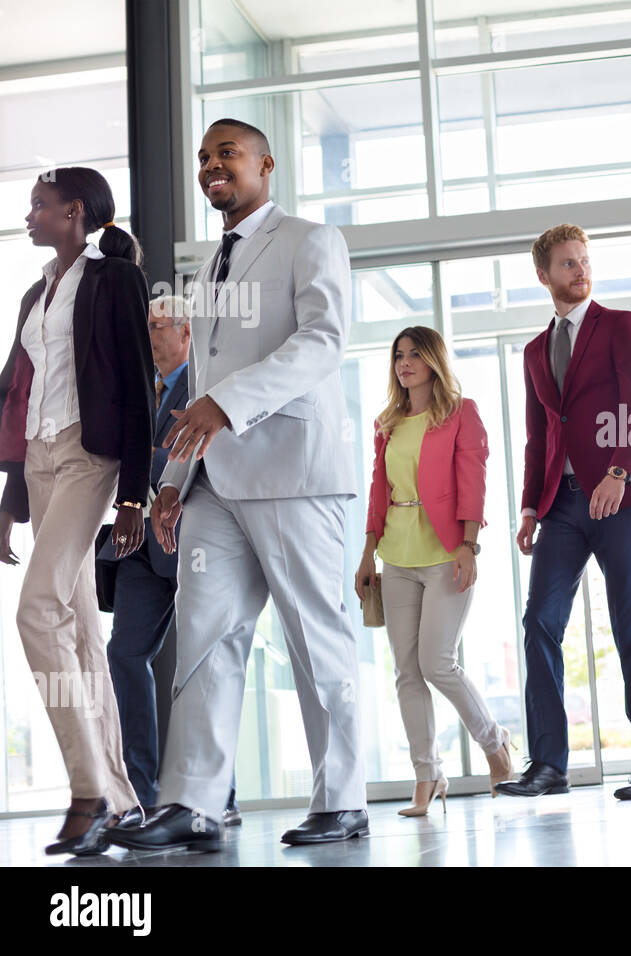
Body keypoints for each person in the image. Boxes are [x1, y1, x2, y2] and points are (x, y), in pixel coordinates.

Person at [108, 118, 367, 852]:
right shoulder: (207, 267)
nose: (211, 165)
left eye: (226, 153)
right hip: (214, 483)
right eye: (202, 157)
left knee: (317, 639)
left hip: (293, 473)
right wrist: (173, 478)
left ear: (265, 163)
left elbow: (322, 341)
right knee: (204, 637)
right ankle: (193, 801)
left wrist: (229, 404)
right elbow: (204, 381)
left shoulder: (312, 240)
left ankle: (341, 798)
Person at [0, 166, 152, 854]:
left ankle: (86, 789)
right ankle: (121, 802)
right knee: (84, 639)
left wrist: (133, 495)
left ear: (75, 212)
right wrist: (11, 499)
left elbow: (137, 389)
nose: (29, 215)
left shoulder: (113, 279)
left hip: (91, 456)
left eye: (40, 205)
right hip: (39, 459)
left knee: (36, 609)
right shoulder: (38, 291)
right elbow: (17, 394)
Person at [497, 223, 631, 800]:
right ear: (543, 275)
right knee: (539, 625)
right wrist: (529, 506)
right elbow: (537, 437)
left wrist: (619, 472)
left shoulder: (620, 326)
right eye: (567, 264)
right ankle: (548, 764)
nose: (580, 271)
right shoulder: (533, 351)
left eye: (583, 260)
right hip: (562, 508)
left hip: (620, 498)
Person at [93, 295, 242, 826]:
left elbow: (198, 452)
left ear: (186, 334)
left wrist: (133, 457)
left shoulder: (202, 386)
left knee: (201, 660)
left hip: (194, 536)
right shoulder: (136, 385)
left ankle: (217, 795)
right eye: (147, 325)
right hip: (135, 546)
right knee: (125, 654)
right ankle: (144, 792)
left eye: (161, 325)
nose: (151, 333)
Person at [355, 326, 513, 814]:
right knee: (405, 671)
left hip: (447, 551)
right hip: (396, 556)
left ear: (433, 360)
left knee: (435, 663)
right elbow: (378, 491)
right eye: (398, 355)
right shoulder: (387, 422)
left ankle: (495, 744)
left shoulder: (461, 413)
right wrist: (367, 552)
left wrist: (470, 544)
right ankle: (427, 776)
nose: (404, 363)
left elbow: (473, 482)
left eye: (414, 354)